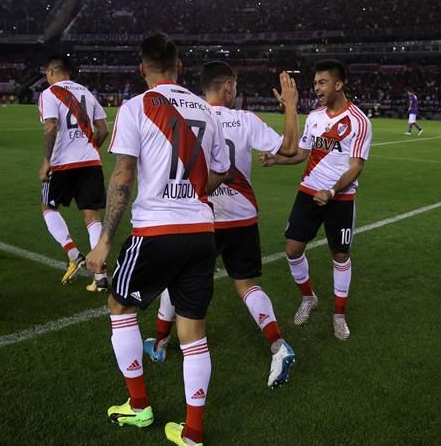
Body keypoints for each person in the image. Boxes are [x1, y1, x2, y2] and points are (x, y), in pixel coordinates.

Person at [86, 34, 230, 446]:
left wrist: (104, 243)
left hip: (156, 231)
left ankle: (138, 406)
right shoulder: (207, 109)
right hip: (202, 233)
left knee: (119, 305)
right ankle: (193, 432)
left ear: (141, 67)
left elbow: (123, 176)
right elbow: (219, 172)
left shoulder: (135, 108)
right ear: (179, 66)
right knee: (193, 333)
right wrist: (194, 189)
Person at [143, 61, 299, 389]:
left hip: (202, 217)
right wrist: (291, 107)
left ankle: (158, 344)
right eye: (236, 86)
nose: (236, 91)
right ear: (227, 87)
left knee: (177, 279)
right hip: (242, 217)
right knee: (246, 284)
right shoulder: (244, 120)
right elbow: (289, 149)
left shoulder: (190, 114)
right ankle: (277, 344)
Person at [259, 59, 372, 341]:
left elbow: (356, 165)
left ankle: (339, 315)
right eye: (315, 83)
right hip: (309, 192)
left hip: (340, 198)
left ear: (338, 84)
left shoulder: (359, 121)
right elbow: (301, 153)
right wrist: (276, 158)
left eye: (322, 82)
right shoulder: (315, 117)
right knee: (293, 249)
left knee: (340, 255)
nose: (316, 88)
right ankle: (308, 298)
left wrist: (332, 191)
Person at [38, 54, 110, 290]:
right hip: (91, 162)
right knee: (92, 217)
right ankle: (100, 278)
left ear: (51, 72)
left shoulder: (49, 94)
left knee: (48, 207)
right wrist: (89, 148)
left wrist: (47, 160)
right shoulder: (87, 93)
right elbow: (103, 129)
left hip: (63, 164)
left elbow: (50, 126)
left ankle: (73, 254)